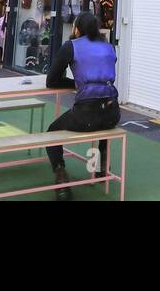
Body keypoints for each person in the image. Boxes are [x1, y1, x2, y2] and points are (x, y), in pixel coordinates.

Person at [45, 11, 119, 200]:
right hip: (112, 113)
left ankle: (61, 179)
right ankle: (102, 167)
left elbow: (52, 80)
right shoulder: (109, 46)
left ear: (77, 29)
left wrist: (77, 84)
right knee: (103, 121)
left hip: (86, 116)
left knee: (52, 132)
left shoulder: (72, 46)